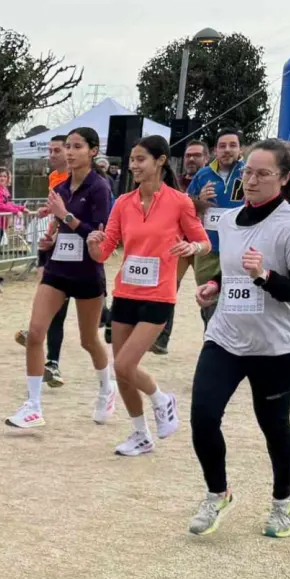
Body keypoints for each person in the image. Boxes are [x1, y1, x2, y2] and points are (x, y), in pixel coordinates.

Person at [186, 139, 290, 538]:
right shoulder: (228, 221)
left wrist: (265, 276)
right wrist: (214, 285)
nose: (251, 180)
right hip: (225, 337)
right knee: (203, 418)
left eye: (263, 174)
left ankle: (283, 501)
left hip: (275, 348)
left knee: (274, 427)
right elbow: (232, 272)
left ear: (284, 178)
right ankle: (217, 493)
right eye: (248, 172)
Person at [87, 135, 206, 456]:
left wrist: (191, 246)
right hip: (126, 292)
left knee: (126, 364)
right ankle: (140, 434)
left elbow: (204, 242)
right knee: (121, 371)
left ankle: (162, 399)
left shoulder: (180, 202)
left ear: (160, 161)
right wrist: (94, 244)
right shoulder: (123, 202)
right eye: (132, 160)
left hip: (159, 295)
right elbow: (105, 252)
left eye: (141, 159)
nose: (134, 166)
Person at [7, 127, 114, 430]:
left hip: (87, 272)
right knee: (35, 333)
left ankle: (107, 388)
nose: (69, 152)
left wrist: (65, 215)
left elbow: (97, 233)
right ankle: (33, 406)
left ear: (93, 151)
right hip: (57, 270)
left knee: (88, 339)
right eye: (67, 146)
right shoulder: (63, 188)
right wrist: (47, 245)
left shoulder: (100, 188)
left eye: (77, 146)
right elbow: (56, 232)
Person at [16, 134, 72, 384]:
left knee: (89, 312)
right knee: (48, 292)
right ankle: (51, 358)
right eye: (49, 150)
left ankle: (109, 318)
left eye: (56, 150)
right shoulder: (53, 177)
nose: (51, 154)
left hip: (77, 247)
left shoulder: (83, 180)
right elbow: (56, 210)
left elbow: (71, 213)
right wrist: (48, 217)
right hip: (54, 243)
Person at [156, 138, 210, 355]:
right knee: (168, 289)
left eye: (197, 155)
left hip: (203, 246)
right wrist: (196, 200)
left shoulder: (213, 182)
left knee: (209, 294)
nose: (191, 159)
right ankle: (161, 338)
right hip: (178, 245)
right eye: (188, 155)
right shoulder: (174, 182)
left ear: (206, 158)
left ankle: (212, 341)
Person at [185, 131, 246, 295]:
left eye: (232, 145)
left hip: (239, 247)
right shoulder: (203, 174)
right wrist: (199, 199)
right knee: (207, 298)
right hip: (209, 249)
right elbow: (187, 204)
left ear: (241, 150)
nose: (227, 150)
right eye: (222, 146)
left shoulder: (249, 173)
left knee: (233, 299)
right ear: (215, 150)